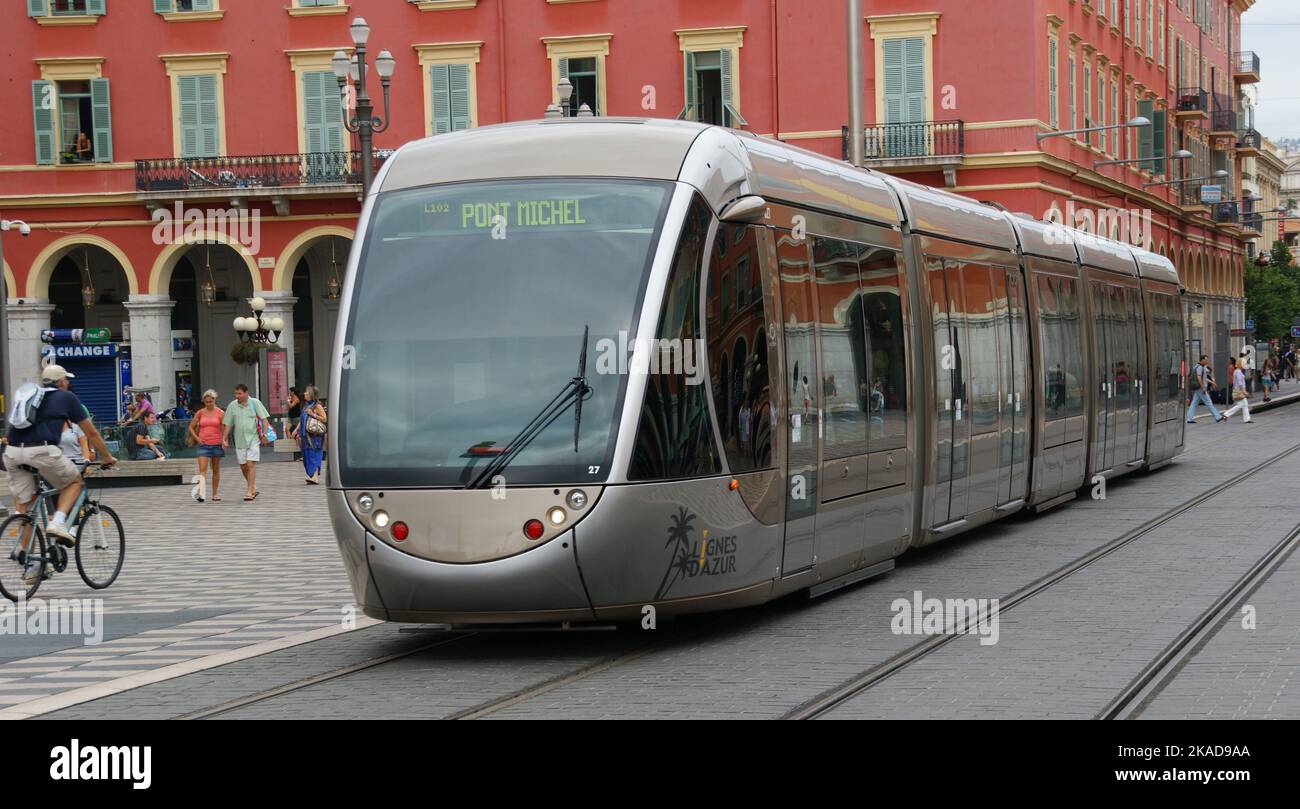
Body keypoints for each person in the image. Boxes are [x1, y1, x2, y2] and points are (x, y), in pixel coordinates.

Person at [4, 365, 116, 584]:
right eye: (66, 379)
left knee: (27, 508)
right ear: (61, 382)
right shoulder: (67, 397)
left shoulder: (30, 396)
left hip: (12, 453)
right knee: (74, 481)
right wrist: (107, 456)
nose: (68, 383)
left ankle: (28, 559)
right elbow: (90, 431)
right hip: (42, 450)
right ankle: (58, 522)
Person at [221, 383, 269, 501]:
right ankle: (252, 486)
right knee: (243, 466)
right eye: (236, 393)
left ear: (246, 393)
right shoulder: (232, 406)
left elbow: (264, 420)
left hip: (253, 439)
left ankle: (249, 491)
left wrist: (264, 434)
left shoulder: (255, 403)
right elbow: (228, 424)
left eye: (240, 393)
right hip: (239, 440)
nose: (237, 396)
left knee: (250, 464)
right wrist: (224, 438)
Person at [186, 389, 224, 503]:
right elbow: (191, 427)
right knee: (202, 470)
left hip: (216, 443)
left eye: (210, 402)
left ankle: (215, 493)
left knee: (216, 469)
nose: (208, 404)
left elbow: (224, 428)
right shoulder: (200, 412)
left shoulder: (220, 413)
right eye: (206, 402)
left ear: (214, 400)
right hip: (203, 444)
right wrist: (197, 438)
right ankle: (202, 493)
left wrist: (223, 440)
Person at [298, 385, 327, 485]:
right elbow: (302, 420)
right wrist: (297, 432)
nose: (304, 393)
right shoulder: (306, 405)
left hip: (314, 436)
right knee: (307, 455)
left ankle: (315, 477)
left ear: (311, 394)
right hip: (305, 435)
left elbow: (324, 418)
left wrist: (313, 414)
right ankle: (311, 476)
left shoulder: (317, 406)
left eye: (306, 392)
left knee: (314, 455)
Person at [1186, 355, 1224, 424]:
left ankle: (1189, 418)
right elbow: (1199, 378)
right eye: (1206, 360)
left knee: (1194, 403)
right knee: (1208, 402)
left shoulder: (1198, 367)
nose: (1207, 361)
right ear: (1202, 360)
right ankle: (1217, 416)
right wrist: (1203, 387)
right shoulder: (1200, 367)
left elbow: (1204, 378)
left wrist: (1212, 382)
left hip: (1199, 388)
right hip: (1200, 388)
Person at [1222, 357, 1254, 423]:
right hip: (1239, 391)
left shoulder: (1236, 371)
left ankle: (1247, 419)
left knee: (1244, 405)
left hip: (1238, 390)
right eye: (1244, 363)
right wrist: (1244, 391)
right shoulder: (1238, 372)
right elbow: (1240, 383)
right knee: (1241, 405)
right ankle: (1226, 414)